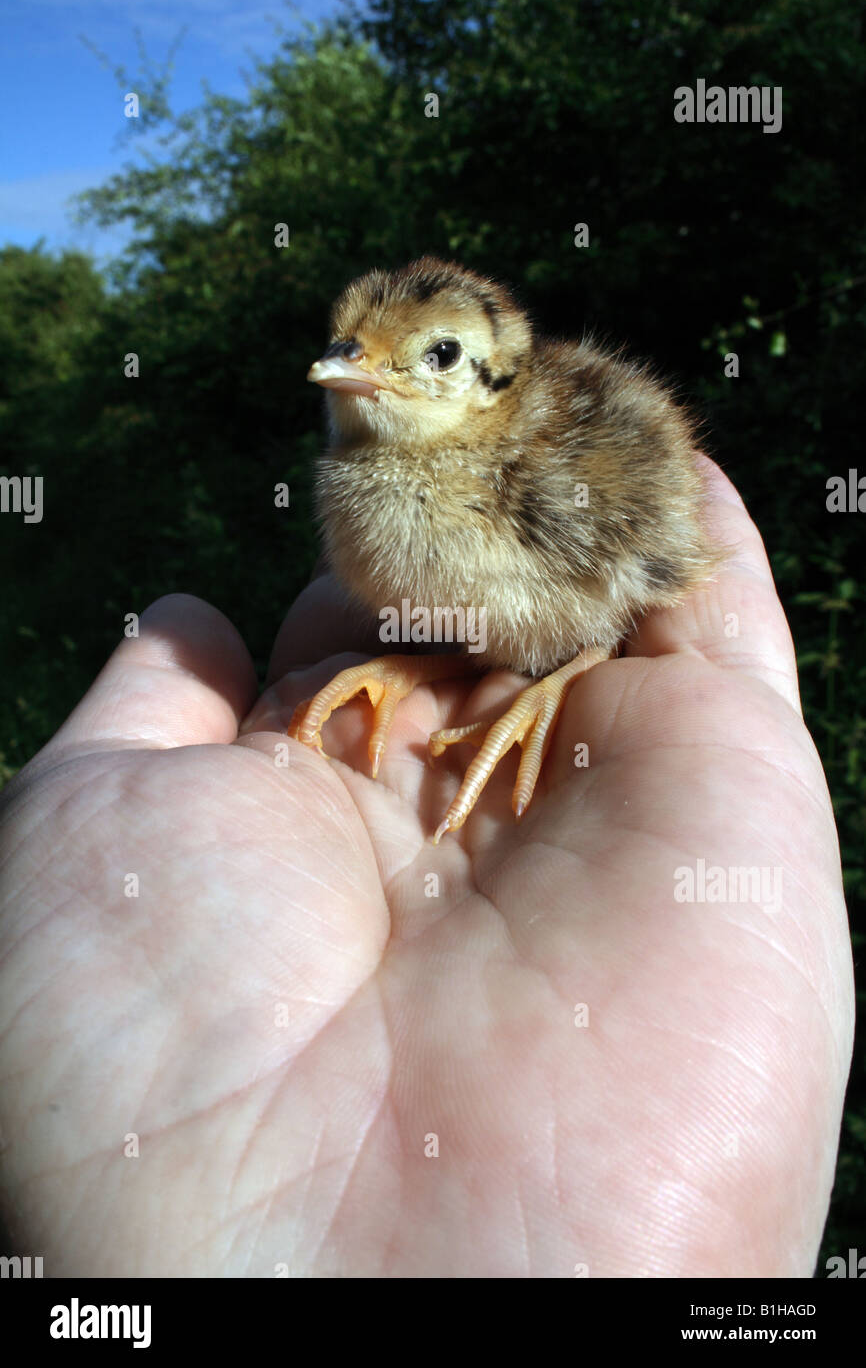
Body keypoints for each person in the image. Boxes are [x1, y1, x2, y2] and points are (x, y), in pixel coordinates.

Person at [0, 458, 853, 1276]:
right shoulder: (377, 480)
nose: (361, 369)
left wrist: (570, 664)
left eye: (434, 357)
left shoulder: (541, 457)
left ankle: (565, 674)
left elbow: (622, 564)